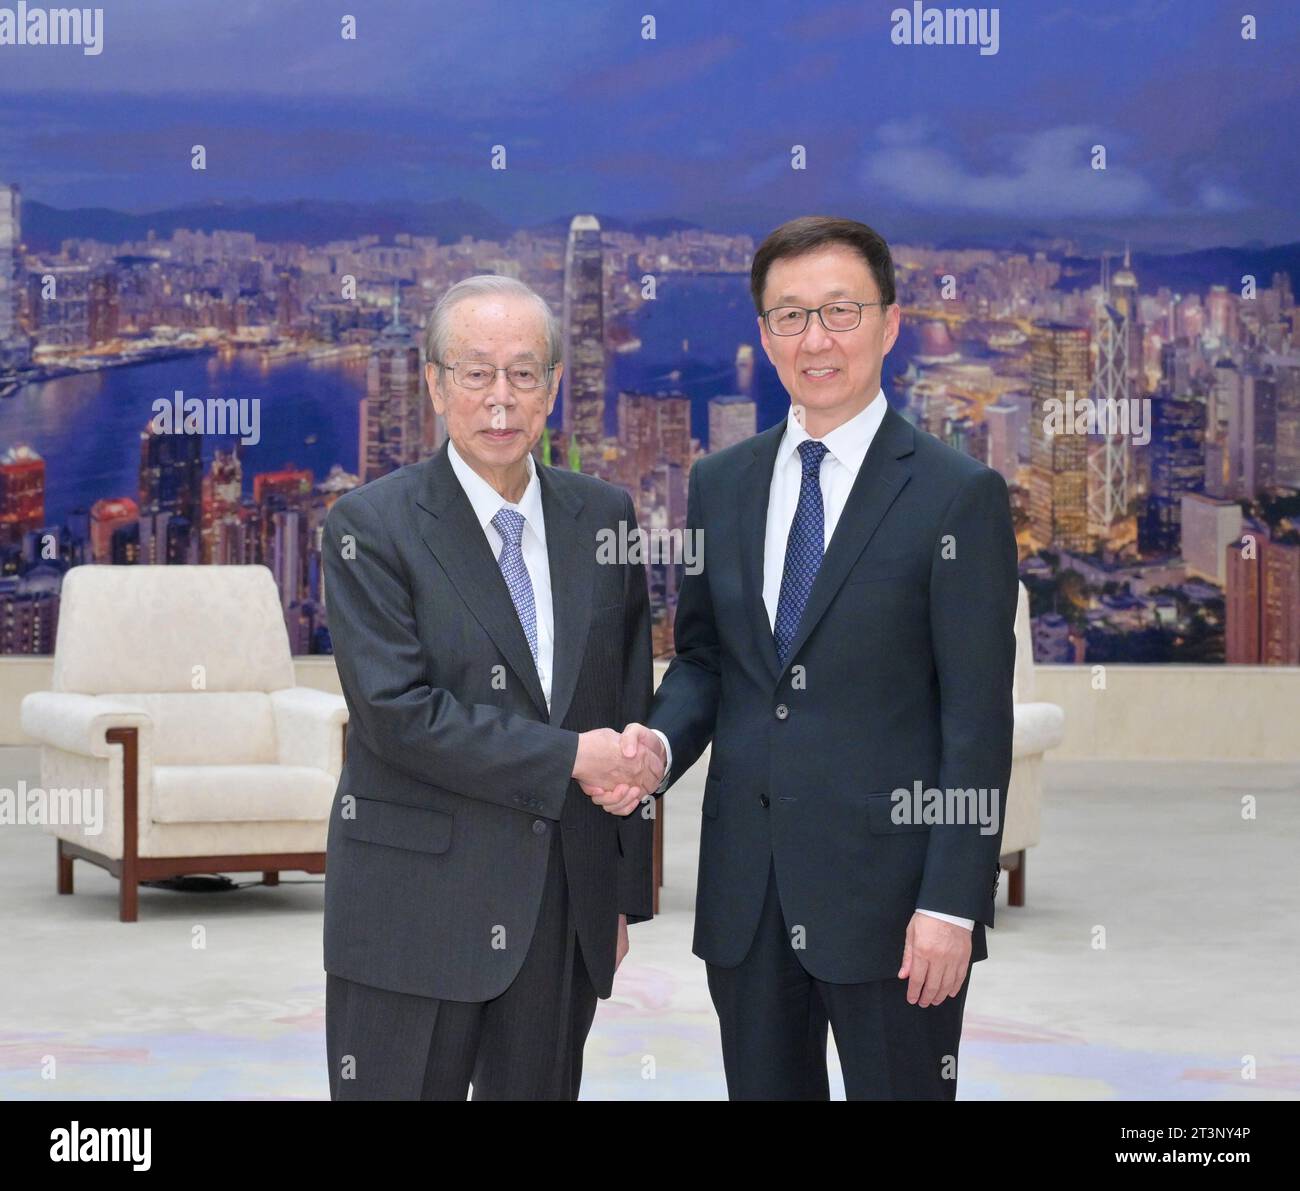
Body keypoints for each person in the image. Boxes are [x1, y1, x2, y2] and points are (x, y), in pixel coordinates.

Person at [588, 215, 1018, 1099]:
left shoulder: (956, 496)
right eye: (789, 316)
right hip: (749, 901)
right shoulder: (721, 482)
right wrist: (658, 749)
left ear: (890, 324)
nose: (815, 339)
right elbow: (707, 660)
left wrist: (951, 904)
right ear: (763, 335)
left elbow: (977, 720)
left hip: (896, 908)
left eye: (840, 311)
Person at [323, 274, 662, 1100]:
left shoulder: (605, 514)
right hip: (415, 905)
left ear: (552, 386)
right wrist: (571, 757)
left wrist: (617, 896)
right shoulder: (371, 525)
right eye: (475, 372)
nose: (500, 398)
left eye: (523, 372)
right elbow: (396, 714)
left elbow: (625, 694)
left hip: (560, 906)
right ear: (435, 384)